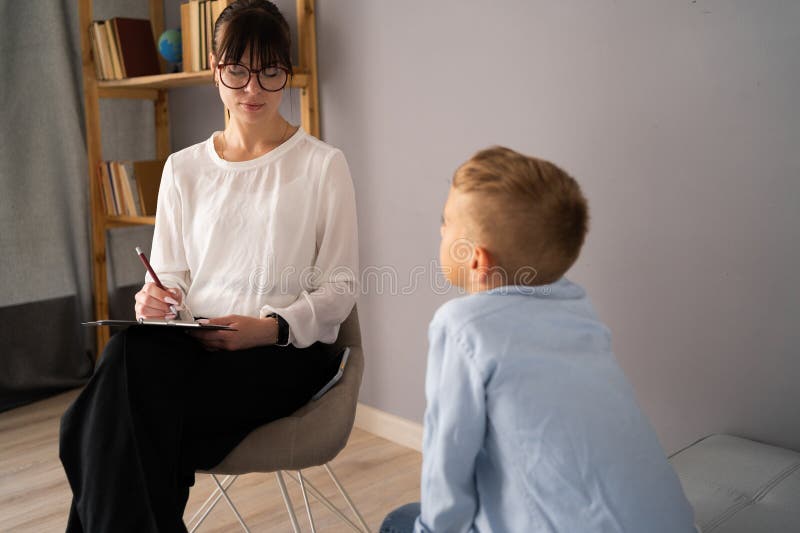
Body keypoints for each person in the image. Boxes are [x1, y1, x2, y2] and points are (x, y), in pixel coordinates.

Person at [59, 1, 358, 531]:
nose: (253, 88)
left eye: (270, 71)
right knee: (126, 356)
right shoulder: (184, 168)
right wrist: (156, 301)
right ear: (216, 69)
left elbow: (340, 288)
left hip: (282, 354)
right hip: (194, 347)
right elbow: (170, 274)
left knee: (100, 422)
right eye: (237, 70)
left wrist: (268, 329)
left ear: (287, 71)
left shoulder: (322, 165)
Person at [380, 147, 695, 532]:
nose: (441, 230)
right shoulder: (578, 309)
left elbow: (448, 464)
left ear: (476, 260)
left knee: (400, 521)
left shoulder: (462, 326)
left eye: (445, 222)